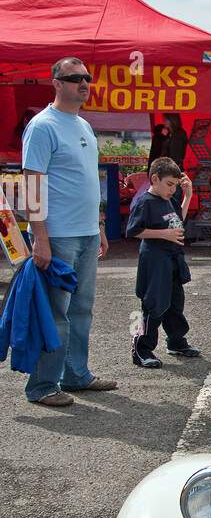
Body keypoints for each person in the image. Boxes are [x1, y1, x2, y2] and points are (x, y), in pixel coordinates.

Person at [21, 57, 117, 407]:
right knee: (55, 312)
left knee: (81, 309)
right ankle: (43, 385)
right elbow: (32, 184)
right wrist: (40, 238)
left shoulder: (83, 126)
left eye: (86, 77)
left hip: (86, 232)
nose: (83, 83)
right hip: (59, 234)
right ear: (56, 83)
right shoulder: (43, 126)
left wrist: (100, 226)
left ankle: (75, 374)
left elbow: (88, 182)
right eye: (74, 78)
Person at [126, 157, 200, 368]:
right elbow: (134, 230)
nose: (171, 189)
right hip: (155, 259)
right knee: (153, 304)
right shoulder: (144, 202)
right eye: (169, 184)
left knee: (175, 303)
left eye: (175, 185)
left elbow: (178, 219)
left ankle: (176, 341)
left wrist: (187, 196)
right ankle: (141, 349)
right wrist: (164, 234)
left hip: (173, 259)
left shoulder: (168, 199)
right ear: (154, 178)